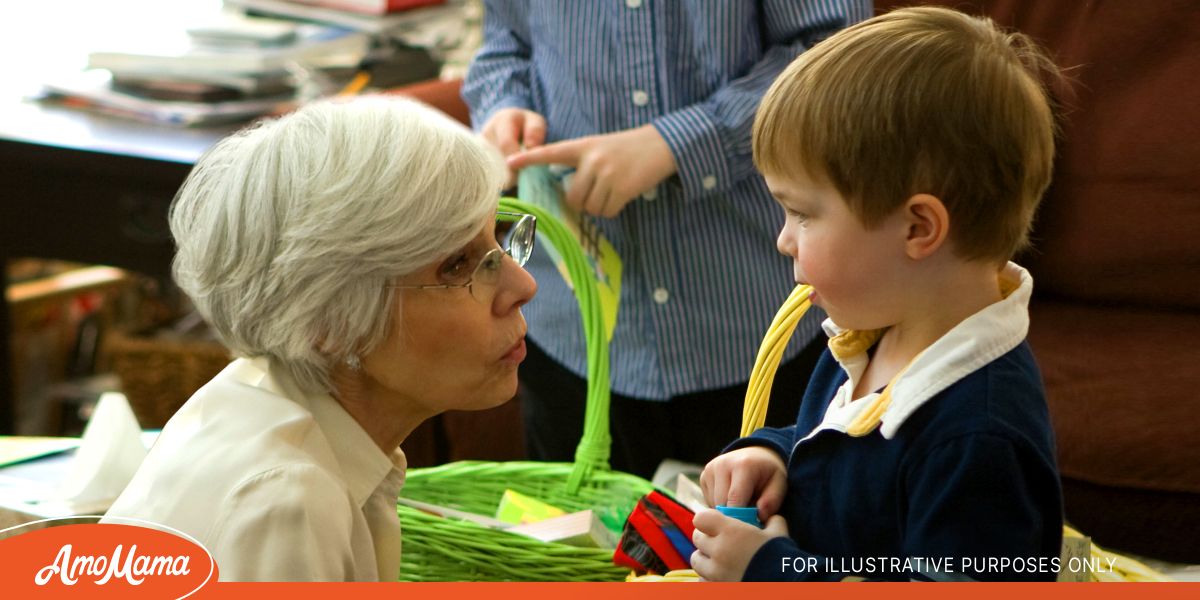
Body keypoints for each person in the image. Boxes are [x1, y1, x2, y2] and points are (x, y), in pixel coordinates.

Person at [691, 6, 1064, 582]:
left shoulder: (977, 439)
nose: (783, 239)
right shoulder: (875, 332)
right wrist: (773, 455)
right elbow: (844, 459)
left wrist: (771, 573)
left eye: (801, 213)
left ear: (918, 229)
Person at [103, 96, 539, 581]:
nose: (523, 286)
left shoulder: (274, 405)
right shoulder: (286, 502)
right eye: (459, 264)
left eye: (498, 240)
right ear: (330, 322)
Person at [462, 0, 872, 479]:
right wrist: (503, 108)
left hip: (752, 329)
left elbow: (835, 55)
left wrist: (676, 145)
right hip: (573, 338)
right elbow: (504, 45)